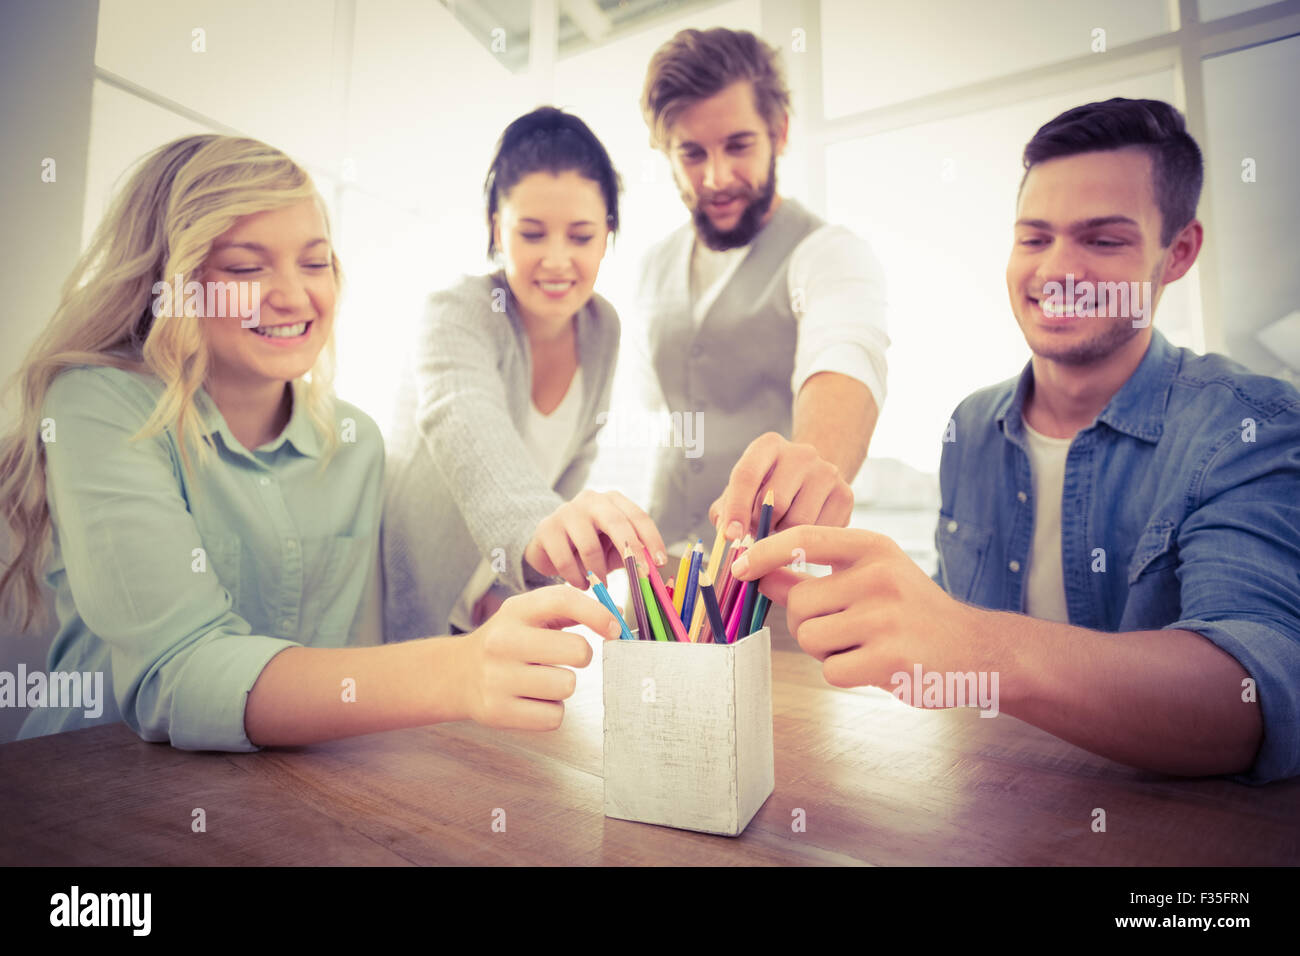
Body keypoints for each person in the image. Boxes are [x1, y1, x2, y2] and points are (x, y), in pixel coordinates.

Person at [729, 98, 1300, 783]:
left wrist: (976, 648)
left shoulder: (1247, 425)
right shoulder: (971, 425)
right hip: (992, 807)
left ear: (1178, 253)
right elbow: (949, 631)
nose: (1056, 270)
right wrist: (859, 601)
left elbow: (1257, 693)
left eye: (1103, 239)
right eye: (1034, 238)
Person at [0, 135, 621, 751]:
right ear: (173, 280)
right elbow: (177, 676)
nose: (294, 296)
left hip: (279, 798)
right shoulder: (99, 405)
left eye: (316, 262)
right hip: (84, 785)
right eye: (246, 267)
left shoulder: (353, 445)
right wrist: (458, 668)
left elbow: (342, 678)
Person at [383, 108, 667, 642]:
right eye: (532, 234)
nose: (557, 261)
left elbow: (570, 466)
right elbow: (466, 424)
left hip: (494, 604)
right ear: (497, 228)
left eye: (581, 237)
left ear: (608, 235)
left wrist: (517, 587)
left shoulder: (603, 326)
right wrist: (541, 529)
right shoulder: (458, 310)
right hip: (406, 608)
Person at [636, 27, 887, 550]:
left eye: (738, 145)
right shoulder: (653, 264)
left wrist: (808, 471)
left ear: (781, 132)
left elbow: (845, 359)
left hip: (767, 578)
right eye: (692, 154)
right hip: (658, 573)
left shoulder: (827, 253)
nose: (717, 177)